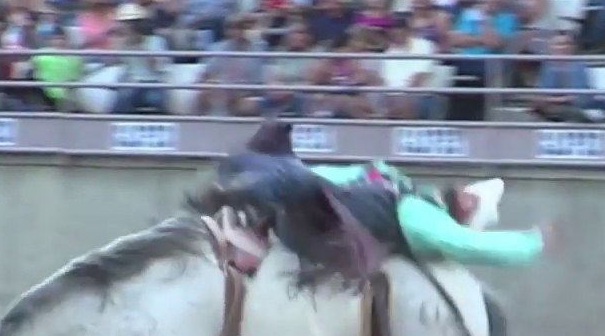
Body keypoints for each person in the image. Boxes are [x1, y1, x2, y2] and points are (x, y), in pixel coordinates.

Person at [186, 121, 556, 290]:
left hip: (330, 230)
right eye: (471, 190)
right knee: (279, 143)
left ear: (465, 215)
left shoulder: (424, 216)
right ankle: (244, 190)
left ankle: (237, 193)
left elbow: (469, 245)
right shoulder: (399, 182)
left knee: (299, 180)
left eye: (473, 199)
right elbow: (346, 175)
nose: (466, 190)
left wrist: (533, 242)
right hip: (316, 204)